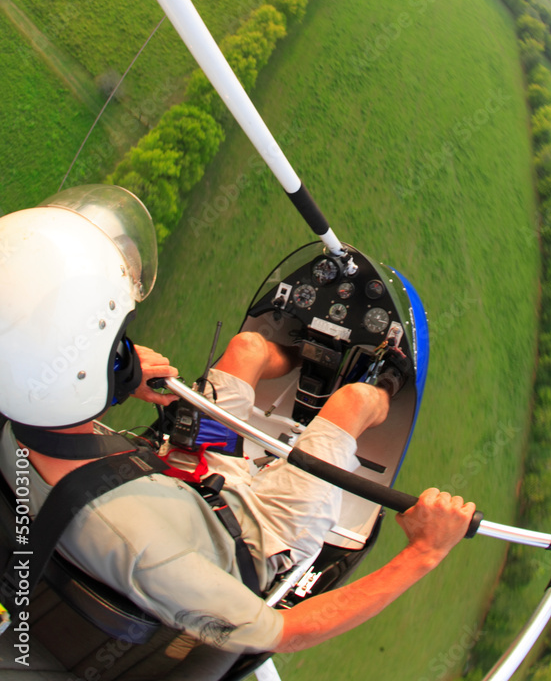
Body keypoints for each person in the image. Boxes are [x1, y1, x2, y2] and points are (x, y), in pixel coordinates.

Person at [0, 184, 475, 659]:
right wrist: (424, 552)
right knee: (352, 401)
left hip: (183, 478)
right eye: (120, 344)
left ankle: (303, 353)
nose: (129, 351)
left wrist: (116, 380)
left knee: (247, 349)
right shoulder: (144, 551)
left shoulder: (11, 429)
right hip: (257, 533)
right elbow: (287, 633)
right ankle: (385, 383)